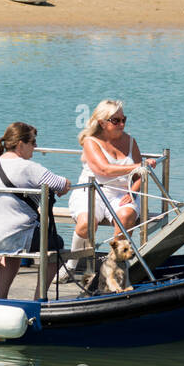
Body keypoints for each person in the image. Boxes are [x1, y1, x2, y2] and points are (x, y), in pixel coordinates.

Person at [0, 122, 71, 300]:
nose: (35, 148)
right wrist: (66, 183)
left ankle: (1, 295)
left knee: (13, 249)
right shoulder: (29, 167)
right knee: (56, 244)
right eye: (33, 143)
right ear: (20, 144)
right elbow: (61, 183)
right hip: (14, 233)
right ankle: (39, 297)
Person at [67, 99, 153, 270]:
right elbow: (104, 170)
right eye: (116, 120)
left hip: (121, 193)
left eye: (123, 119)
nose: (121, 124)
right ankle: (71, 265)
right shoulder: (91, 141)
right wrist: (141, 165)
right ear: (102, 122)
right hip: (91, 192)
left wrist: (132, 193)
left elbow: (139, 177)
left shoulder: (130, 141)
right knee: (86, 222)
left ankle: (116, 264)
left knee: (126, 215)